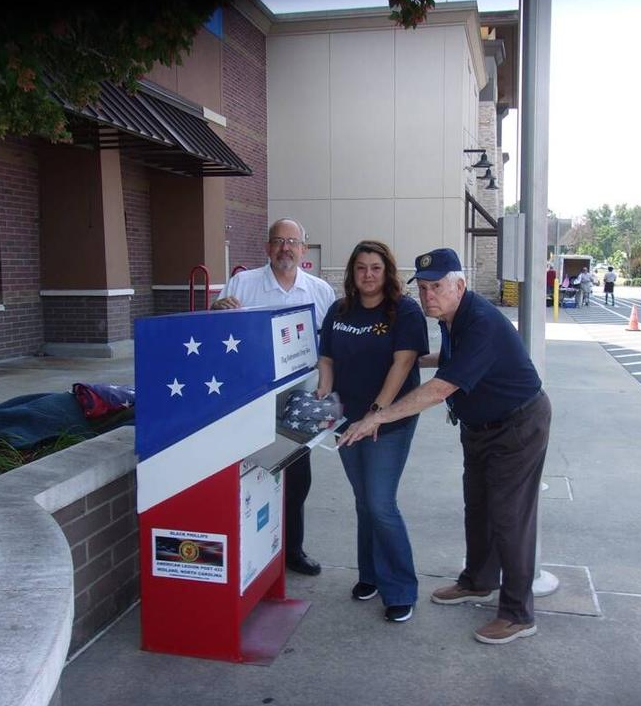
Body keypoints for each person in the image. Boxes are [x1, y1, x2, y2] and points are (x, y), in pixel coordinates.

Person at [340, 248, 552, 644]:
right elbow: (452, 360)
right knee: (478, 508)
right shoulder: (453, 318)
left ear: (460, 285)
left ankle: (518, 614)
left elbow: (441, 389)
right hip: (480, 427)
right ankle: (478, 581)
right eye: (422, 288)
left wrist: (377, 417)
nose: (428, 296)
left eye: (436, 286)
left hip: (517, 427)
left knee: (510, 518)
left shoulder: (481, 321)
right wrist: (413, 359)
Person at [212, 218, 335, 576]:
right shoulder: (242, 284)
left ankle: (292, 550)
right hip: (250, 399)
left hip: (300, 400)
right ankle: (252, 553)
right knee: (250, 475)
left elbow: (330, 347)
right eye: (279, 241)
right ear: (267, 247)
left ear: (303, 248)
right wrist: (217, 313)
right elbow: (214, 331)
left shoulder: (320, 291)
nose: (285, 248)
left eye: (292, 242)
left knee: (297, 477)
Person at [317, 241, 429, 623]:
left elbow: (403, 364)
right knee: (364, 501)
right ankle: (371, 575)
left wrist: (377, 414)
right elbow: (327, 357)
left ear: (387, 272)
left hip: (388, 422)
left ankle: (400, 589)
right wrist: (325, 391)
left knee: (381, 503)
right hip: (347, 421)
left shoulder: (404, 311)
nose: (368, 274)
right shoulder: (339, 310)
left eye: (376, 268)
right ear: (352, 272)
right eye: (361, 267)